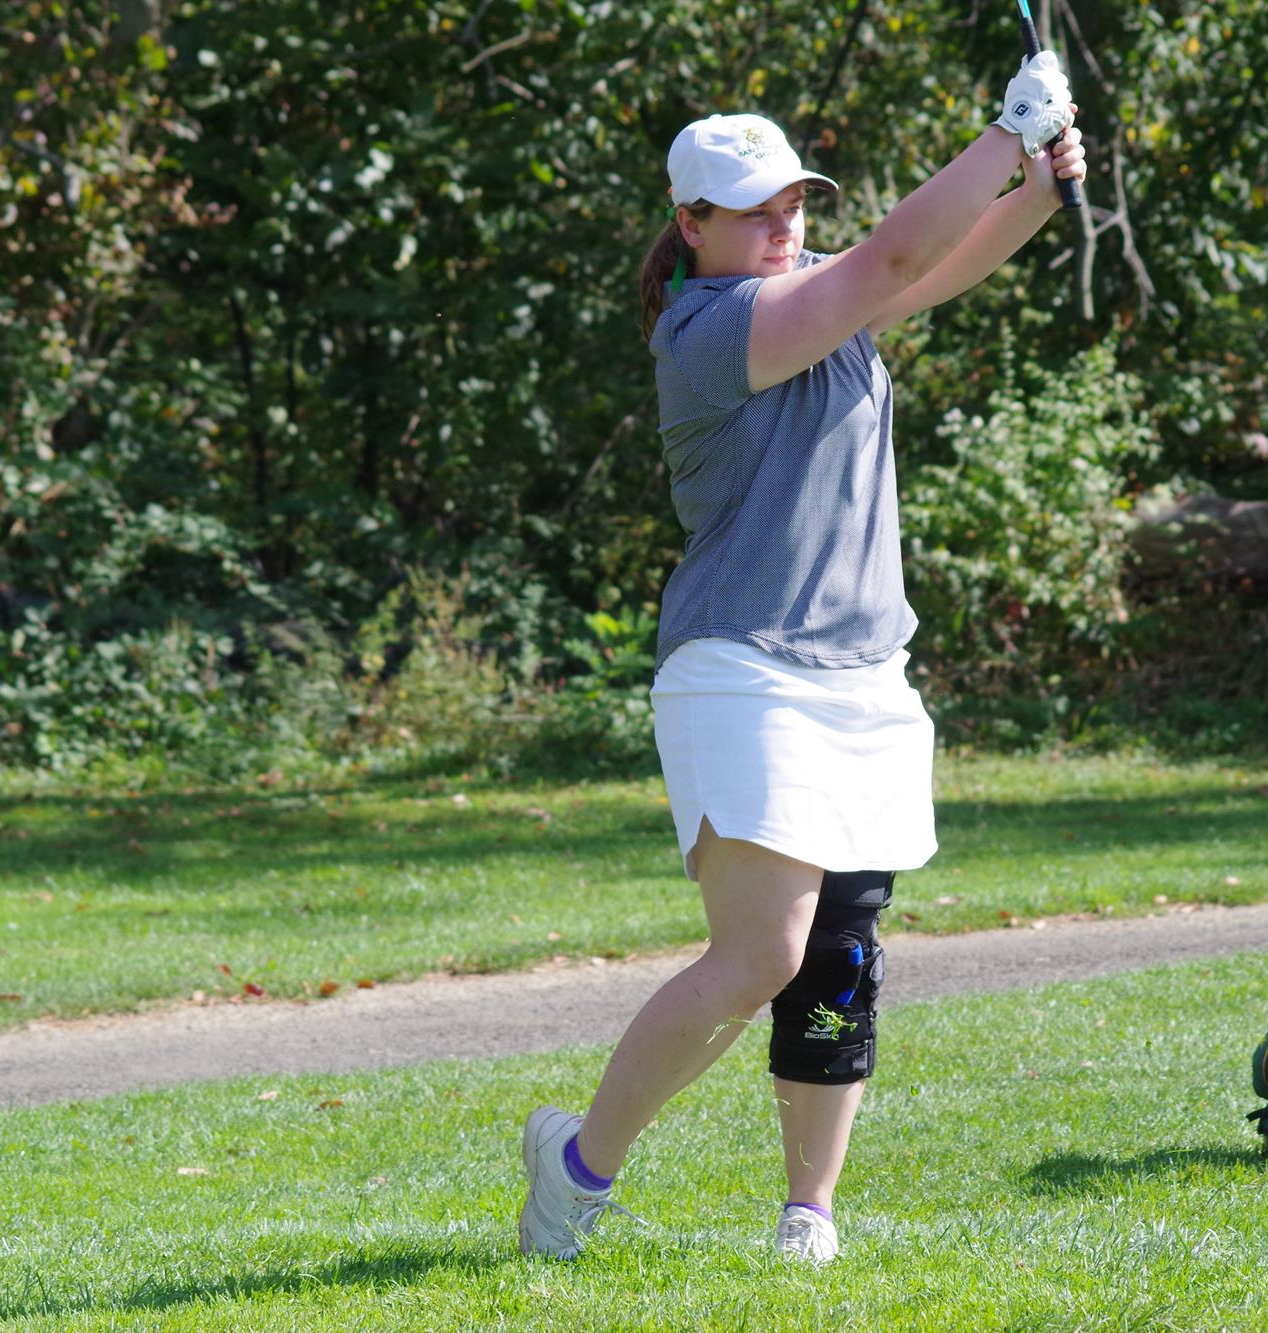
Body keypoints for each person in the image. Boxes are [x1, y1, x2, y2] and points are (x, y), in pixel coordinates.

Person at [518, 54, 1086, 1265]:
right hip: (743, 666)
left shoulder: (813, 296)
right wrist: (1000, 135)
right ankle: (574, 1171)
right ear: (689, 223)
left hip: (862, 676)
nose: (785, 222)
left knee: (840, 956)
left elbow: (925, 268)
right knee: (761, 954)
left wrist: (1036, 187)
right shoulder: (710, 328)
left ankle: (807, 1216)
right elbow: (888, 259)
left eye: (794, 201)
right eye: (756, 208)